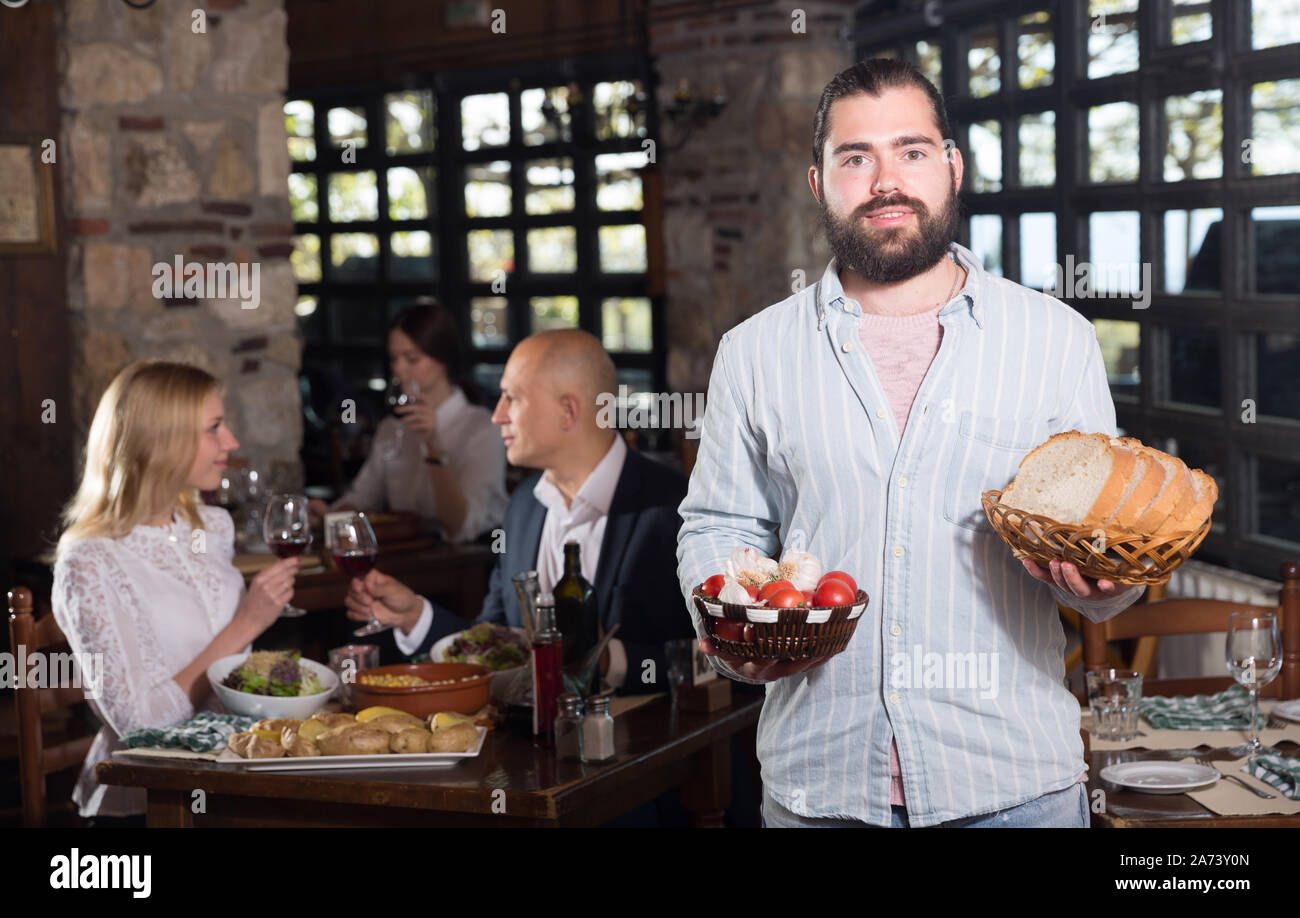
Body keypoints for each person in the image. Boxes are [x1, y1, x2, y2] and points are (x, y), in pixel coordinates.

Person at [676, 59, 1145, 829]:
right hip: (819, 787)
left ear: (953, 167)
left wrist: (1105, 583)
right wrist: (728, 634)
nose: (885, 180)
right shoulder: (753, 353)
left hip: (1012, 787)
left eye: (912, 151)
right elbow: (719, 524)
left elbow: (1101, 536)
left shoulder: (1055, 340)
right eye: (856, 157)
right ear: (818, 182)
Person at [344, 329, 695, 695]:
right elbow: (496, 641)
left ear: (568, 410)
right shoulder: (524, 504)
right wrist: (415, 616)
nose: (497, 416)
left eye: (512, 398)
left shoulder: (677, 507)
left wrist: (607, 660)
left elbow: (721, 668)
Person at [52, 361, 300, 822]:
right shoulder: (90, 561)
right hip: (151, 802)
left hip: (238, 772)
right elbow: (142, 726)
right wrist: (247, 623)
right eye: (214, 428)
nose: (232, 442)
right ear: (161, 441)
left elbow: (233, 675)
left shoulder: (211, 527)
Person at [309, 299, 507, 543]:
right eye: (394, 359)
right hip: (407, 557)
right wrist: (329, 517)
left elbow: (462, 527)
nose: (399, 369)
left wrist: (433, 446)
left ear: (443, 359)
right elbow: (364, 497)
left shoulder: (482, 428)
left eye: (412, 359)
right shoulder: (392, 428)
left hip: (469, 562)